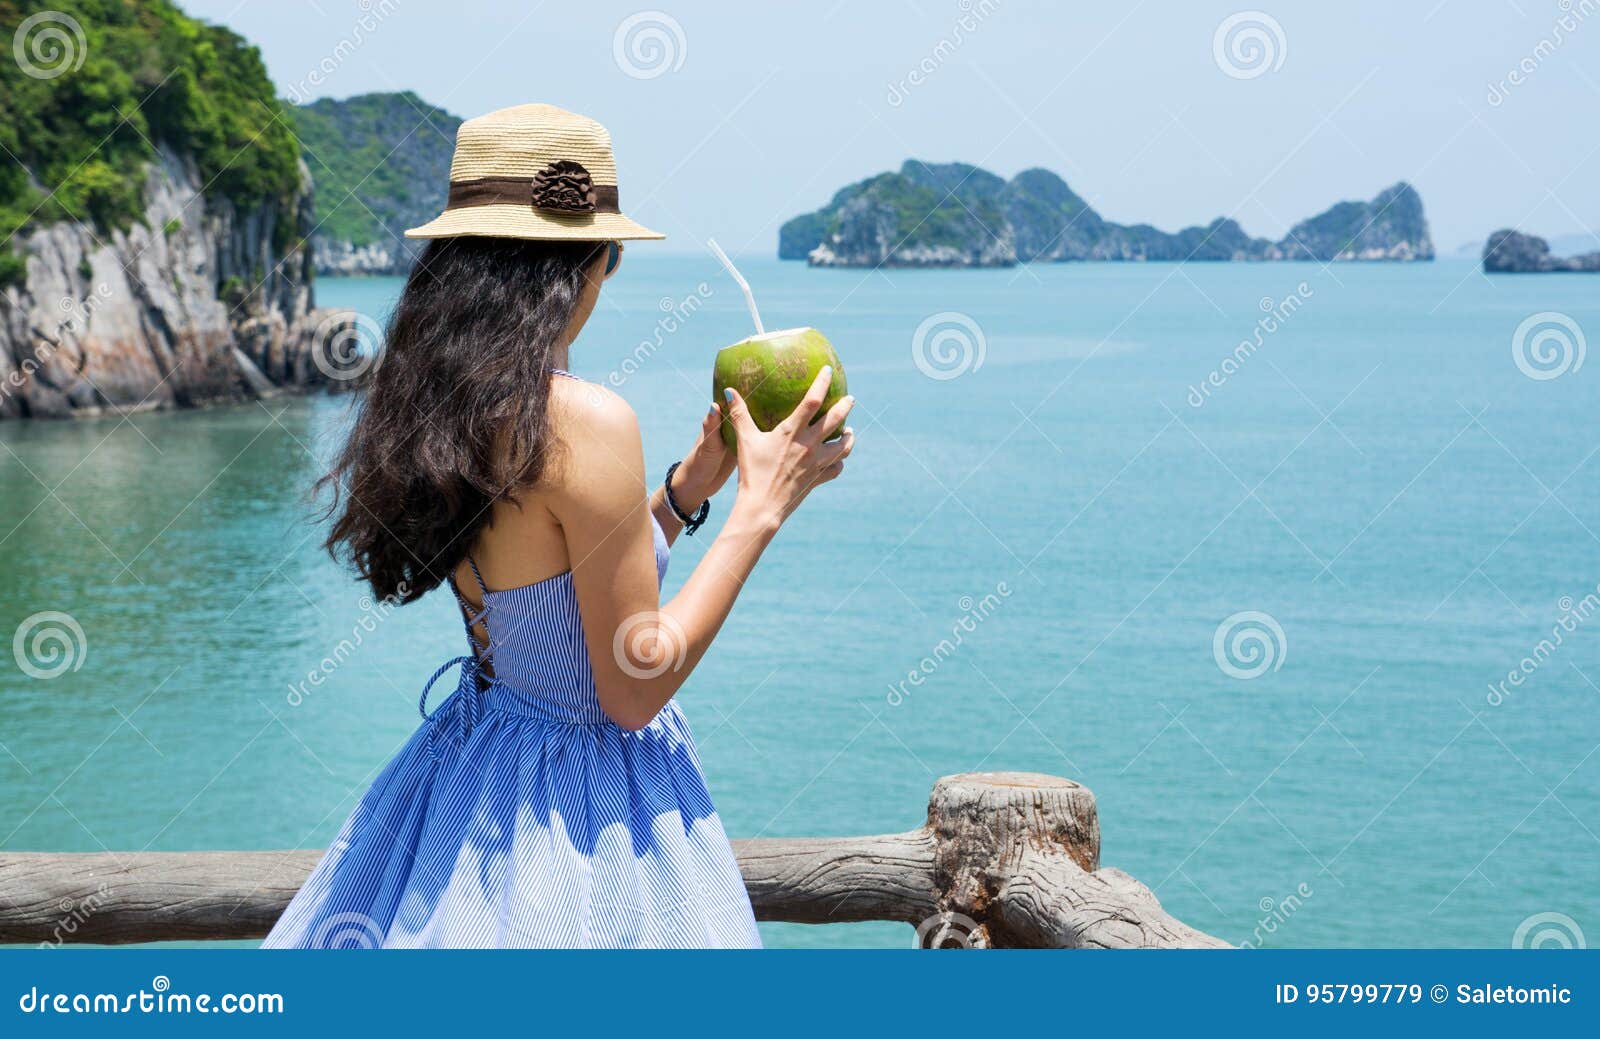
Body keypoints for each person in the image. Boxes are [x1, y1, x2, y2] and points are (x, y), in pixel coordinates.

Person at [263, 104, 854, 948]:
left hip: (475, 776)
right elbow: (631, 684)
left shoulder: (444, 403)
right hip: (580, 811)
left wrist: (689, 489)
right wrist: (761, 507)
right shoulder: (589, 420)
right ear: (590, 262)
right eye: (607, 257)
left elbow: (547, 596)